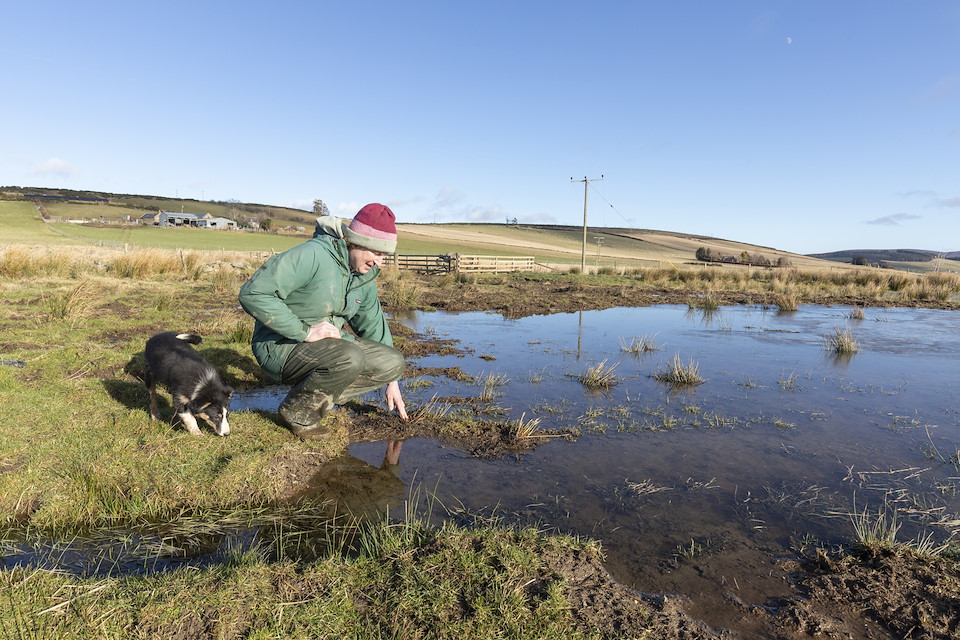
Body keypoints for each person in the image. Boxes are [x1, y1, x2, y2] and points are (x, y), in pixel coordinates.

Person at [238, 203, 408, 438]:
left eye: (384, 256)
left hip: (327, 348)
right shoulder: (313, 255)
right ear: (355, 242)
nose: (379, 262)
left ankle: (316, 397)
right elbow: (253, 293)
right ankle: (298, 413)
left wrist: (392, 381)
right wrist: (305, 331)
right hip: (280, 346)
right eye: (376, 253)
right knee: (349, 356)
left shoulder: (363, 276)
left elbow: (373, 325)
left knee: (392, 361)